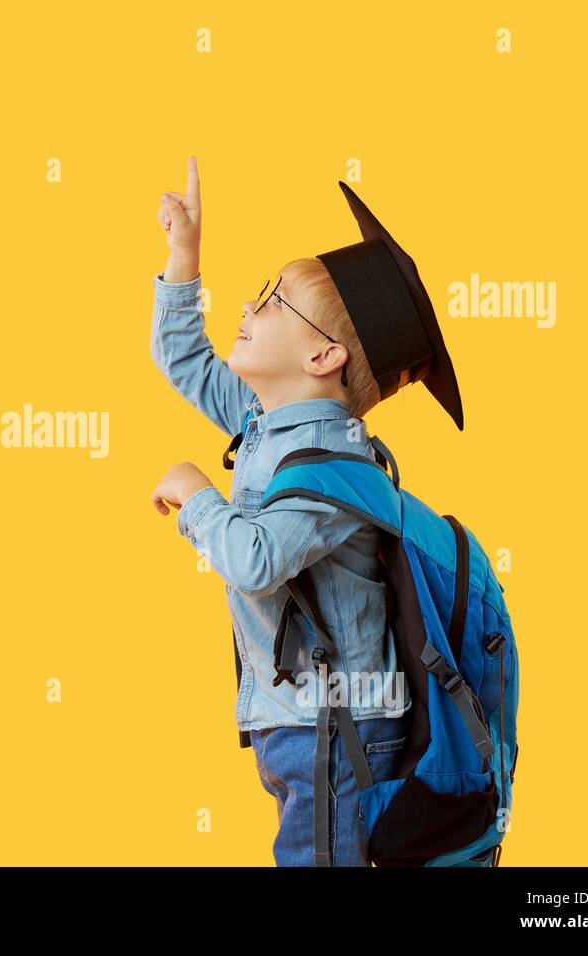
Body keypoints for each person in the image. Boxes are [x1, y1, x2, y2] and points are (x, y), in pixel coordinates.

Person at [149, 156, 464, 866]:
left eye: (270, 301)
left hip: (339, 730)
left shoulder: (337, 472)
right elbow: (184, 362)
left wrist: (198, 492)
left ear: (322, 356)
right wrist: (183, 257)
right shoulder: (271, 425)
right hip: (306, 726)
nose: (247, 307)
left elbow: (254, 561)